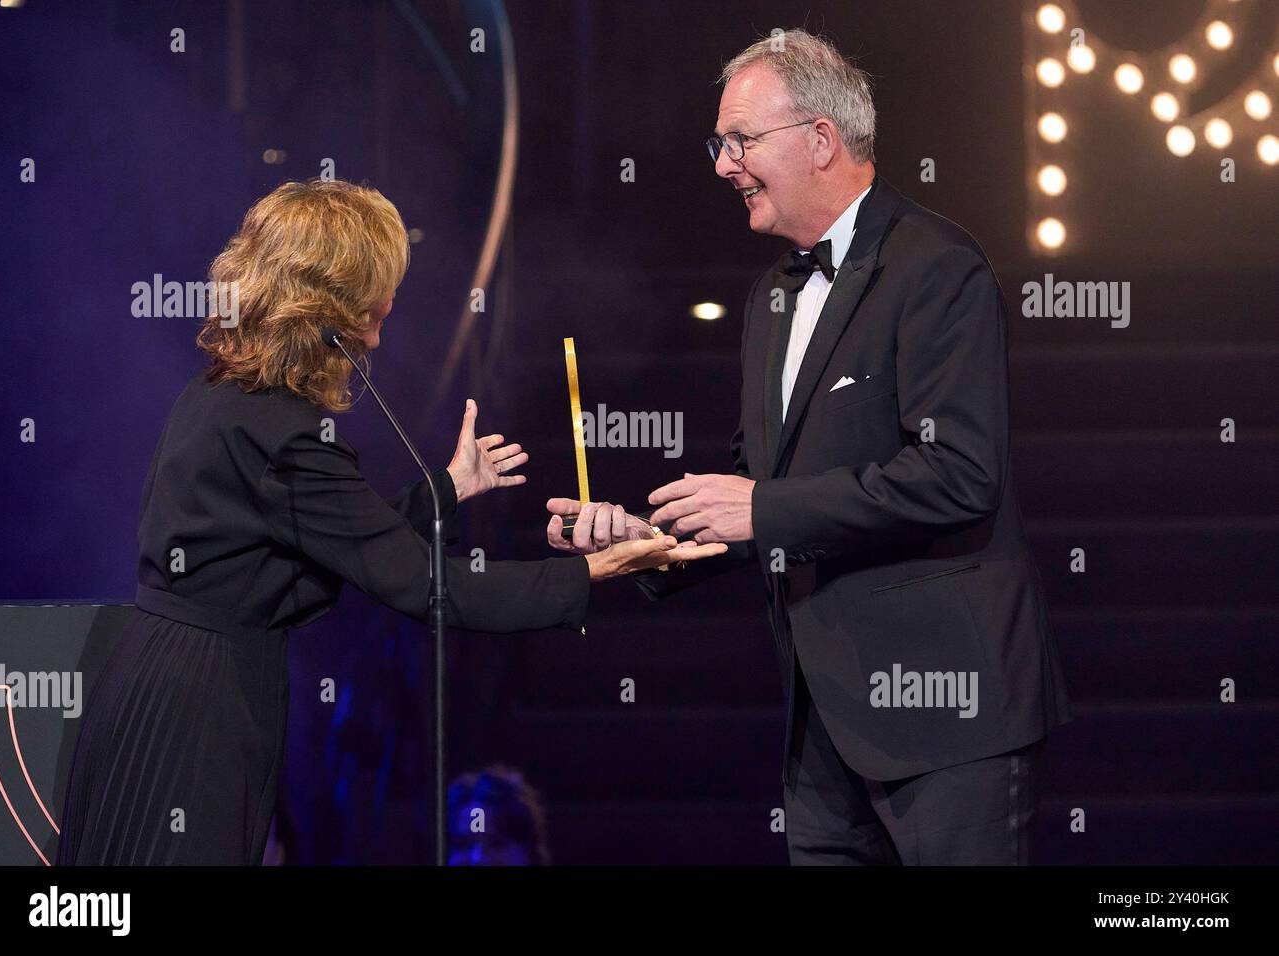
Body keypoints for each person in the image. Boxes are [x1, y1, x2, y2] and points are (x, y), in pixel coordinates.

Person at [54, 178, 725, 866]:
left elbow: (343, 539)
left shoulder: (224, 394)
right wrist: (595, 569)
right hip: (199, 707)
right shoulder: (285, 437)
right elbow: (431, 588)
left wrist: (449, 488)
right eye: (382, 288)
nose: (390, 307)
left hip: (160, 681)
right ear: (331, 307)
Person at [546, 30, 1070, 865]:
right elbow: (758, 492)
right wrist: (648, 543)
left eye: (740, 141)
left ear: (821, 139)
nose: (722, 165)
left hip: (950, 719)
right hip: (821, 731)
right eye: (719, 144)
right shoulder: (772, 298)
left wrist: (759, 506)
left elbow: (959, 475)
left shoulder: (937, 267)